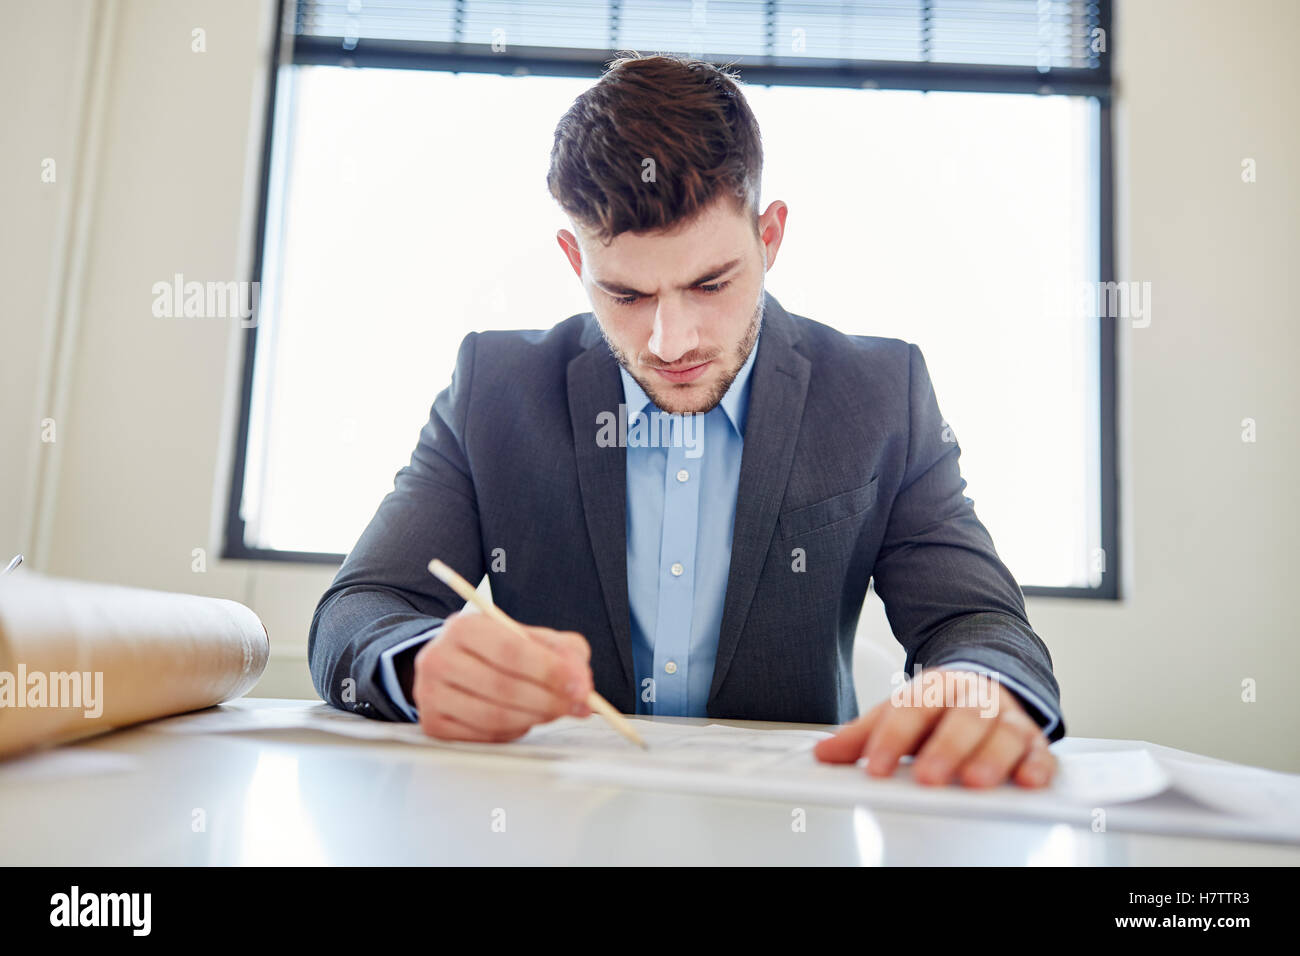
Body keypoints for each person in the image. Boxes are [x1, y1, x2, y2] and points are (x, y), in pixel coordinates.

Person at [309, 53, 1064, 789]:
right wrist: (415, 663)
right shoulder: (494, 390)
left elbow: (976, 623)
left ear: (769, 238)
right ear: (575, 258)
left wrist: (978, 688)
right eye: (626, 295)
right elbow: (362, 608)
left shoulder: (879, 394)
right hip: (551, 825)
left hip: (785, 833)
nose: (671, 343)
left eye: (710, 283)